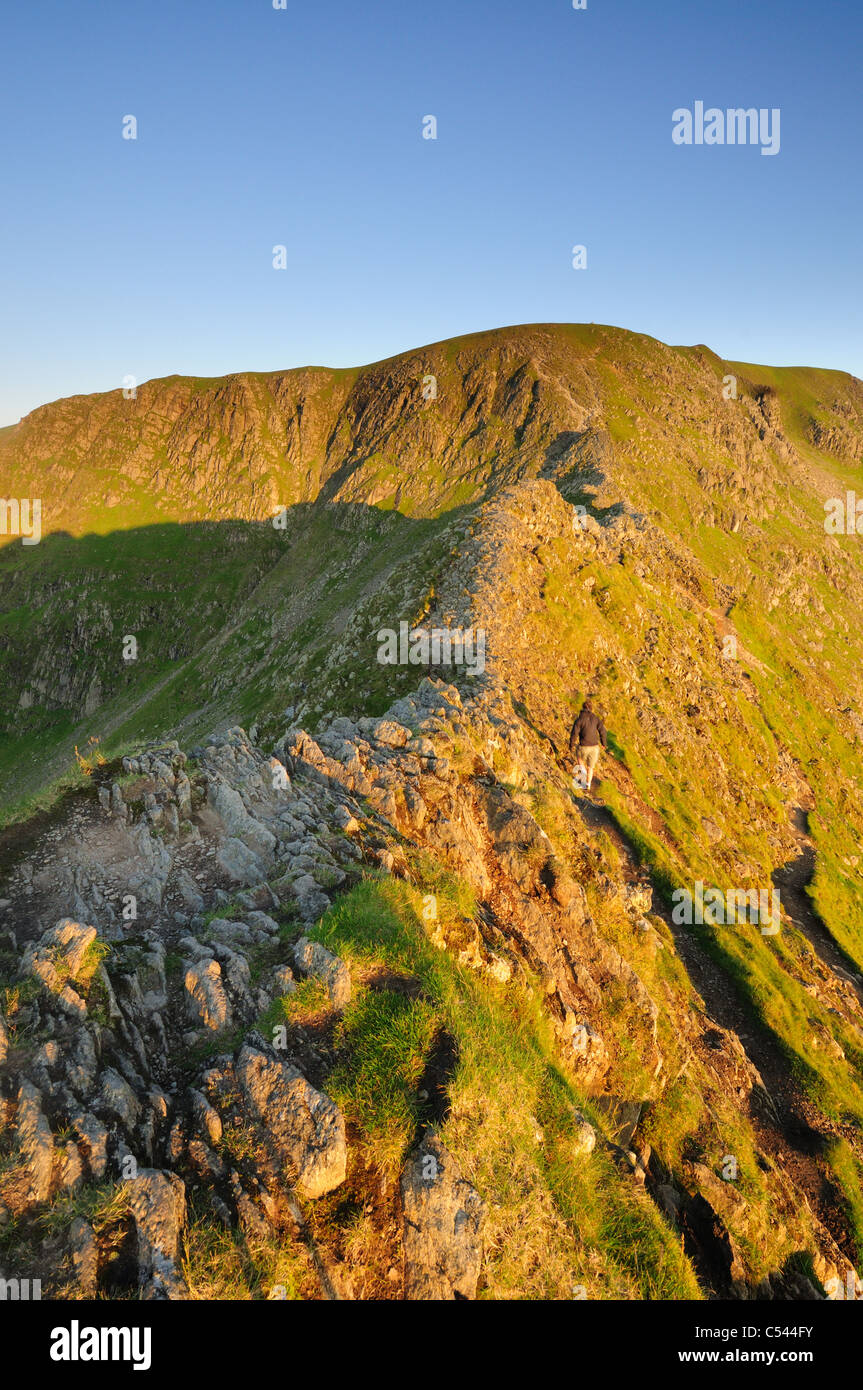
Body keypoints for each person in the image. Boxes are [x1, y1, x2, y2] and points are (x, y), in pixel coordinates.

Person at [568, 697, 607, 792]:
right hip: (594, 747)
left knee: (580, 759)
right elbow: (603, 731)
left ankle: (583, 772)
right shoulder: (595, 718)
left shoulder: (579, 719)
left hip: (583, 746)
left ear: (583, 708)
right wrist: (603, 743)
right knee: (591, 767)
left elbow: (574, 733)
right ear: (591, 708)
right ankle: (588, 784)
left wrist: (571, 744)